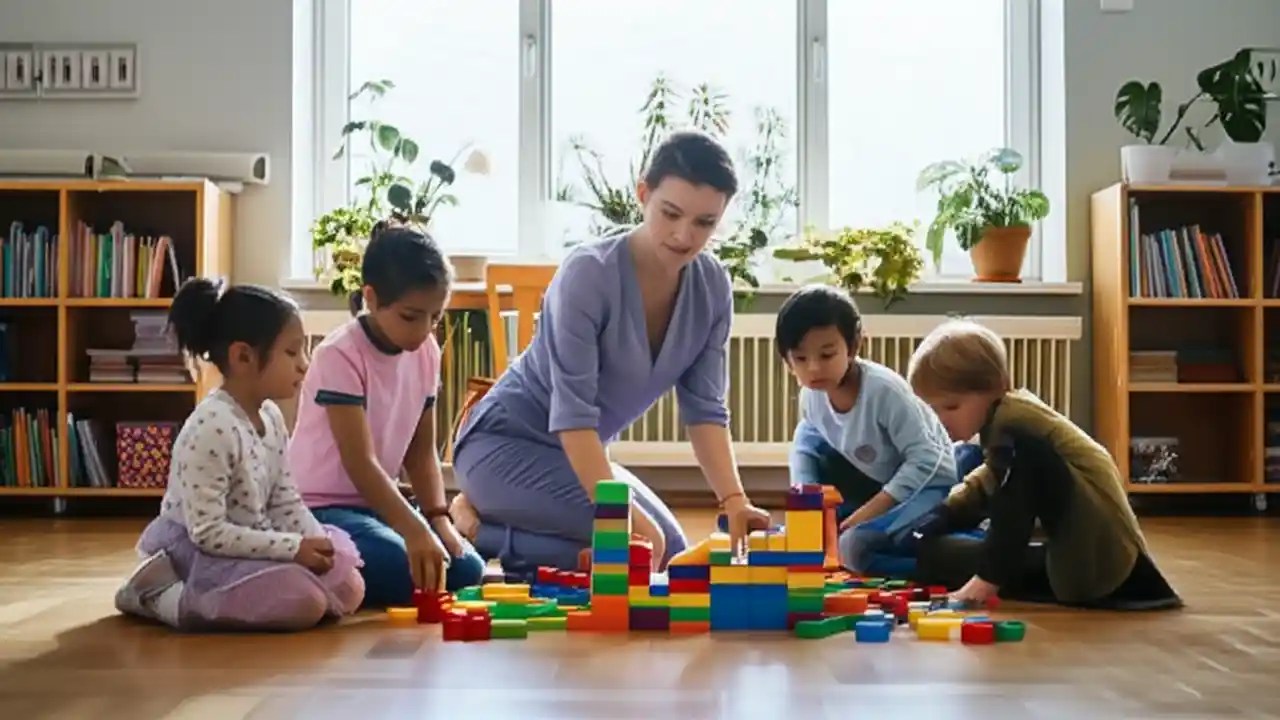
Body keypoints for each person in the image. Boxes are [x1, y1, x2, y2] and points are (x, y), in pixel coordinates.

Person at [448, 130, 771, 574]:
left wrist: (734, 501)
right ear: (643, 194)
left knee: (670, 550)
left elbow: (705, 410)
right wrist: (624, 519)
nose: (683, 235)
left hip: (578, 456)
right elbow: (575, 418)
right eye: (670, 213)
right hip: (503, 446)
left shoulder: (712, 287)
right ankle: (479, 528)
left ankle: (508, 523)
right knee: (638, 550)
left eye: (704, 223)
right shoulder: (589, 274)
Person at [114, 279, 365, 631]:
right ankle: (162, 596)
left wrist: (317, 545)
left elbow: (285, 501)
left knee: (349, 585)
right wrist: (292, 549)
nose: (304, 365)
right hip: (204, 553)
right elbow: (208, 533)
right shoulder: (211, 427)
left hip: (254, 539)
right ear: (243, 356)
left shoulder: (271, 417)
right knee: (303, 602)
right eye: (292, 353)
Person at [906, 319, 1182, 610]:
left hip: (1099, 569)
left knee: (941, 555)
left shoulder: (1017, 432)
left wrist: (989, 576)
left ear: (998, 388)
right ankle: (987, 563)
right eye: (931, 410)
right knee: (934, 551)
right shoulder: (1007, 420)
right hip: (1084, 560)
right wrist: (945, 513)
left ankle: (989, 577)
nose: (941, 421)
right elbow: (989, 478)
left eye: (951, 407)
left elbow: (1013, 488)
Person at [290, 221, 485, 608]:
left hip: (375, 505)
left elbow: (421, 452)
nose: (424, 330)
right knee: (401, 562)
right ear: (372, 298)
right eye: (411, 316)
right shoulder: (340, 354)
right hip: (319, 506)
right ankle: (297, 560)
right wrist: (413, 530)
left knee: (465, 568)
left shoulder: (427, 350)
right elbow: (359, 463)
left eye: (435, 316)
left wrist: (438, 519)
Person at [777, 285, 963, 578]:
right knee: (807, 442)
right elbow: (807, 445)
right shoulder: (812, 394)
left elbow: (929, 461)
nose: (813, 368)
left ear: (853, 346)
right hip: (879, 483)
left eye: (826, 355)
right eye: (800, 358)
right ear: (787, 361)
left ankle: (955, 565)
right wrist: (806, 509)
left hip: (929, 486)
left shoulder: (884, 392)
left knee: (853, 547)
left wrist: (869, 512)